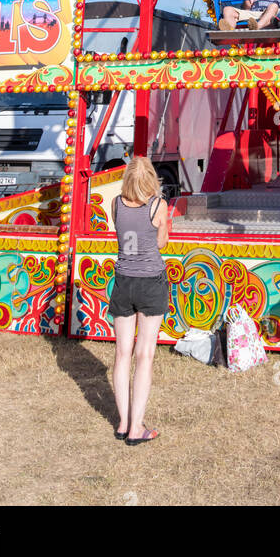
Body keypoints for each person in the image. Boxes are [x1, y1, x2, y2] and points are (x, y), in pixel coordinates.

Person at [109, 156, 169, 444]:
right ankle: (137, 428)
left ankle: (122, 423)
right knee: (144, 354)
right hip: (150, 281)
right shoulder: (158, 205)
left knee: (122, 353)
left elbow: (122, 236)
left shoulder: (116, 204)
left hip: (123, 280)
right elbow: (161, 243)